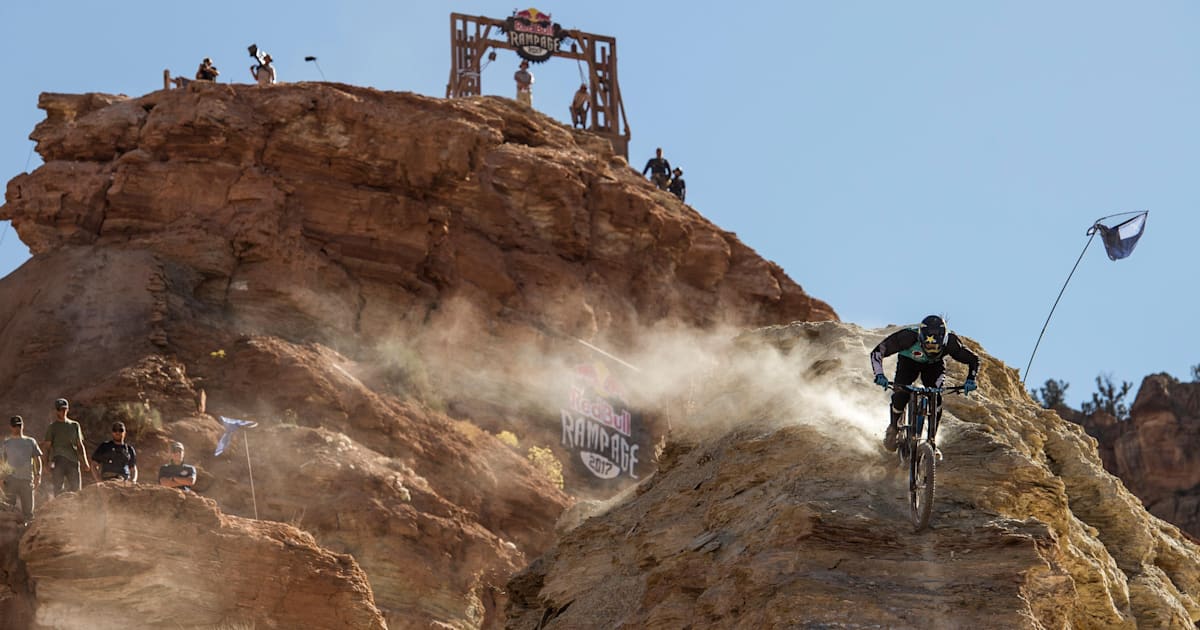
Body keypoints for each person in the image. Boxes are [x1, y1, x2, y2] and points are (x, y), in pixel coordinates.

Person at [869, 315, 980, 451]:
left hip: (934, 366)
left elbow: (973, 360)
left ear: (944, 341)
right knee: (900, 395)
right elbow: (877, 352)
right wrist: (879, 375)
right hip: (908, 363)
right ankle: (893, 427)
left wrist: (970, 379)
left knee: (936, 397)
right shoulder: (907, 336)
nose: (931, 350)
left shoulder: (951, 342)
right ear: (920, 339)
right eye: (927, 346)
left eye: (936, 347)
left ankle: (931, 441)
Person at [42, 398, 90, 495]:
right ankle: (59, 510)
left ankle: (76, 509)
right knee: (58, 490)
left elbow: (80, 445)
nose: (62, 411)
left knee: (76, 490)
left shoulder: (74, 425)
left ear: (67, 409)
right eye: (60, 409)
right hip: (58, 460)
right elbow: (47, 447)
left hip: (73, 460)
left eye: (64, 409)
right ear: (56, 411)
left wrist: (85, 461)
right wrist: (45, 464)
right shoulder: (53, 427)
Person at [2, 416, 42, 523]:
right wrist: (1, 478)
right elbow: (2, 462)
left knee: (28, 513)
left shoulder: (30, 441)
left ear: (22, 426)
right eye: (15, 426)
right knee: (9, 510)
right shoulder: (6, 443)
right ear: (11, 427)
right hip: (11, 480)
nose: (17, 428)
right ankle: (10, 536)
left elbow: (38, 459)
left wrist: (38, 475)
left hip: (27, 480)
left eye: (19, 425)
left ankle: (26, 537)